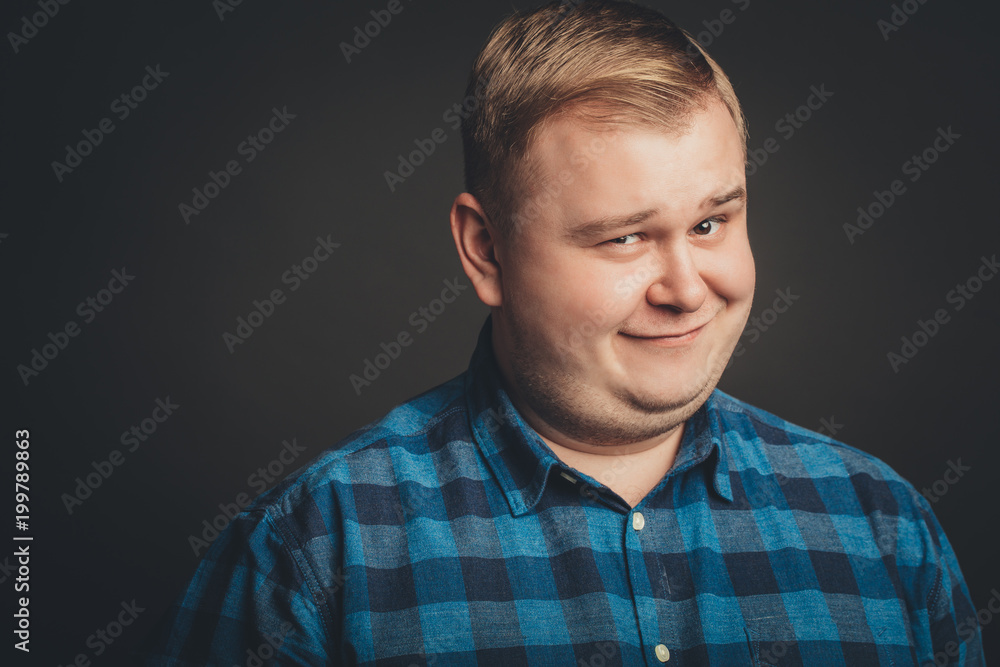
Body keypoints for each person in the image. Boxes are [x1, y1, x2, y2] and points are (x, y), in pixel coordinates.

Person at [141, 1, 985, 664]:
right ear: (486, 249)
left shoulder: (883, 528)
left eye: (710, 225)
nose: (687, 289)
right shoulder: (315, 555)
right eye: (624, 237)